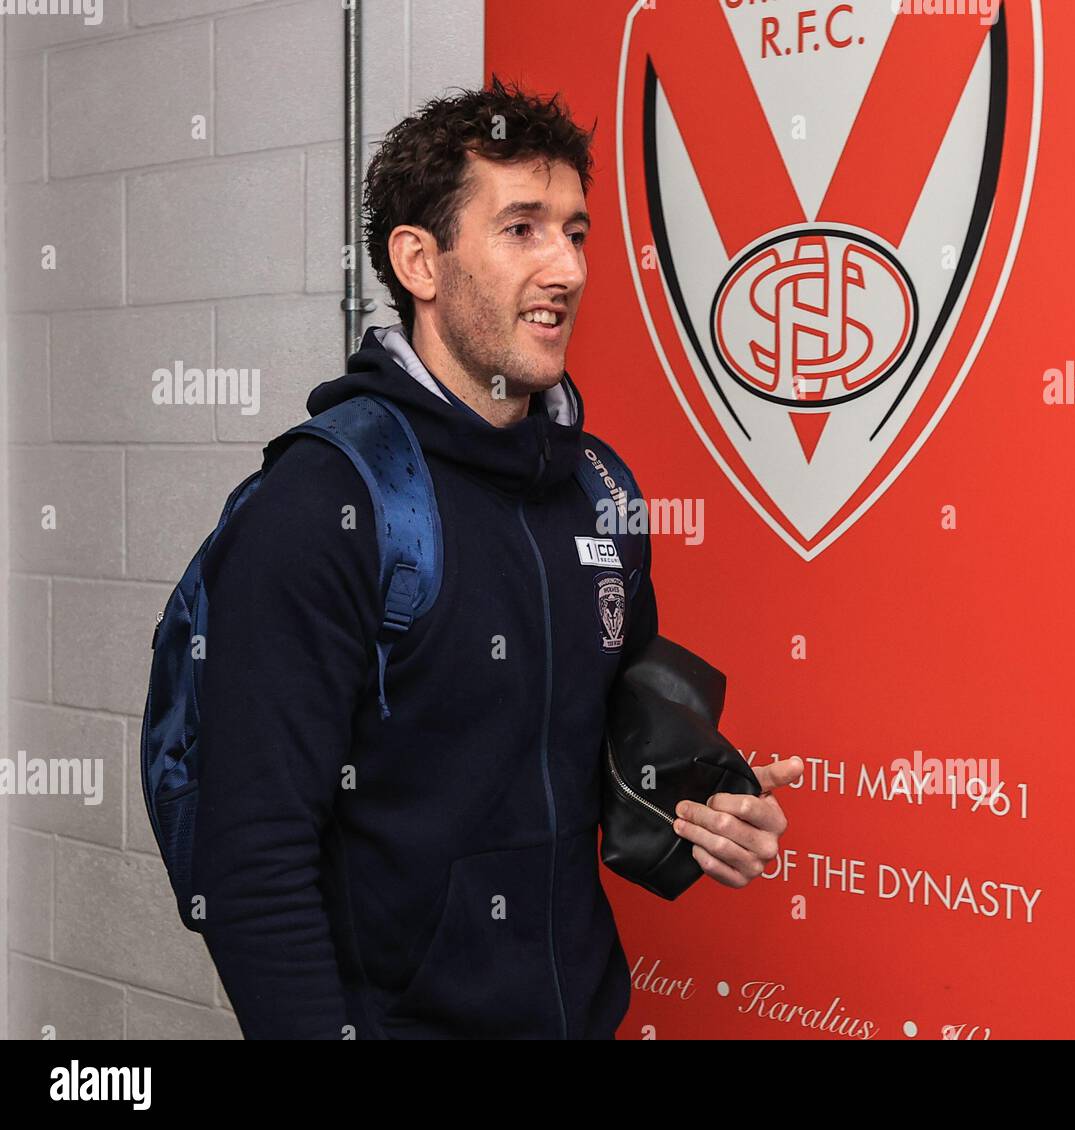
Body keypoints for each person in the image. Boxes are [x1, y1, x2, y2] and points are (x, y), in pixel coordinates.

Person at [191, 77, 803, 1040]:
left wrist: (704, 813)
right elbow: (252, 863)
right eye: (522, 228)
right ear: (419, 262)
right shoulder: (323, 505)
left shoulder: (600, 485)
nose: (568, 267)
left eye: (576, 230)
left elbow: (601, 743)